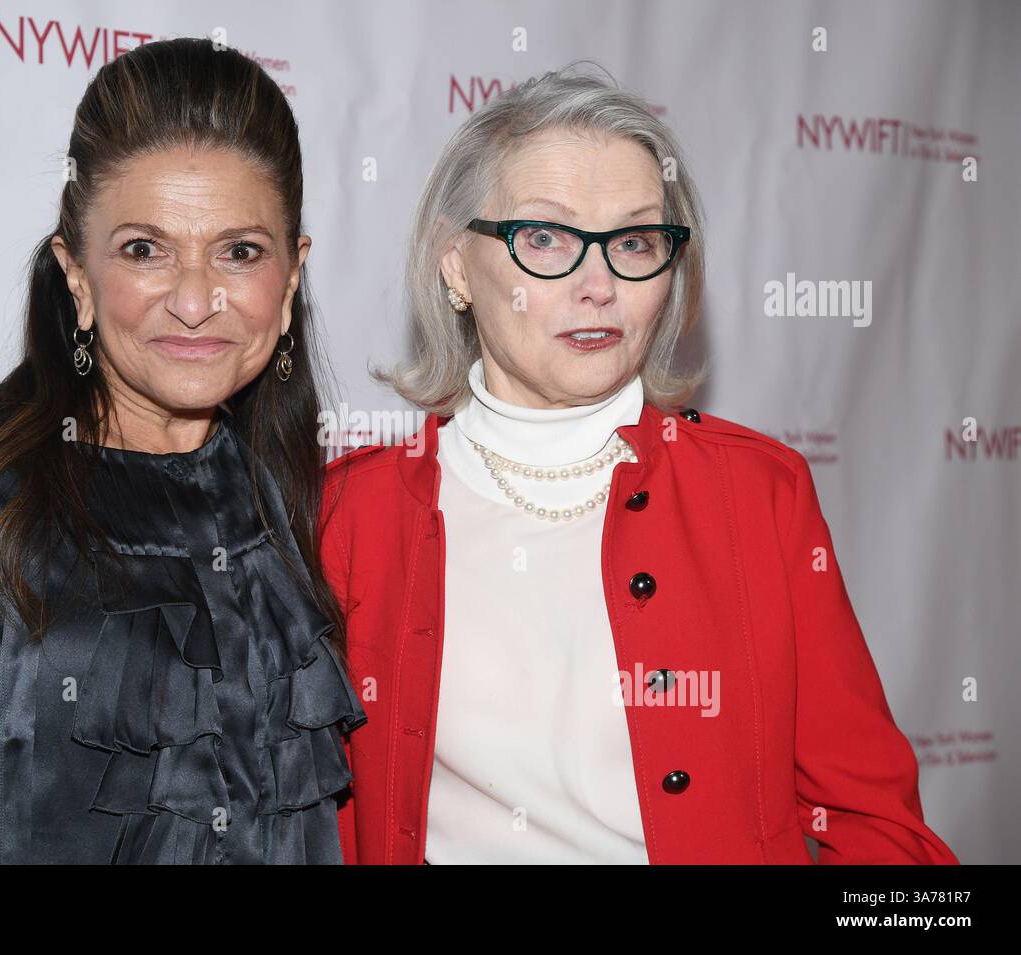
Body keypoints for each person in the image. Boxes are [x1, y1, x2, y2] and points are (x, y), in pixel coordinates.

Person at [320, 64, 958, 865]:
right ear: (456, 265)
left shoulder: (758, 495)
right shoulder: (353, 514)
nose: (598, 285)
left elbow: (881, 833)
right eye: (545, 237)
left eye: (635, 242)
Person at [0, 37, 364, 864]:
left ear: (291, 275)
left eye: (240, 251)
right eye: (145, 249)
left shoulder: (279, 489)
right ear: (77, 273)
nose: (197, 300)